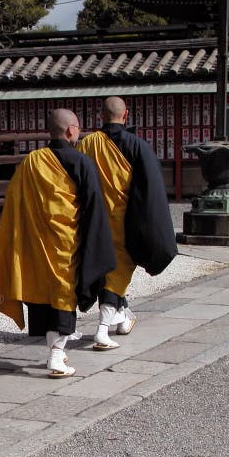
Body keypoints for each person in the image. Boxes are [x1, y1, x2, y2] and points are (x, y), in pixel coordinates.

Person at [0, 109, 115, 378]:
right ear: (71, 130)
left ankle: (55, 351)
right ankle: (56, 357)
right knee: (63, 295)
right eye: (78, 128)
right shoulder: (82, 162)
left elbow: (15, 204)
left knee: (45, 296)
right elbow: (94, 207)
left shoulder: (31, 162)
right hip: (67, 243)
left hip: (37, 244)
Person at [78, 96, 177, 350]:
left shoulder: (88, 144)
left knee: (107, 273)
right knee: (116, 274)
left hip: (92, 221)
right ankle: (101, 330)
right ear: (126, 115)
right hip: (122, 222)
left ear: (101, 116)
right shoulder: (137, 146)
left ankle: (123, 319)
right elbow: (150, 190)